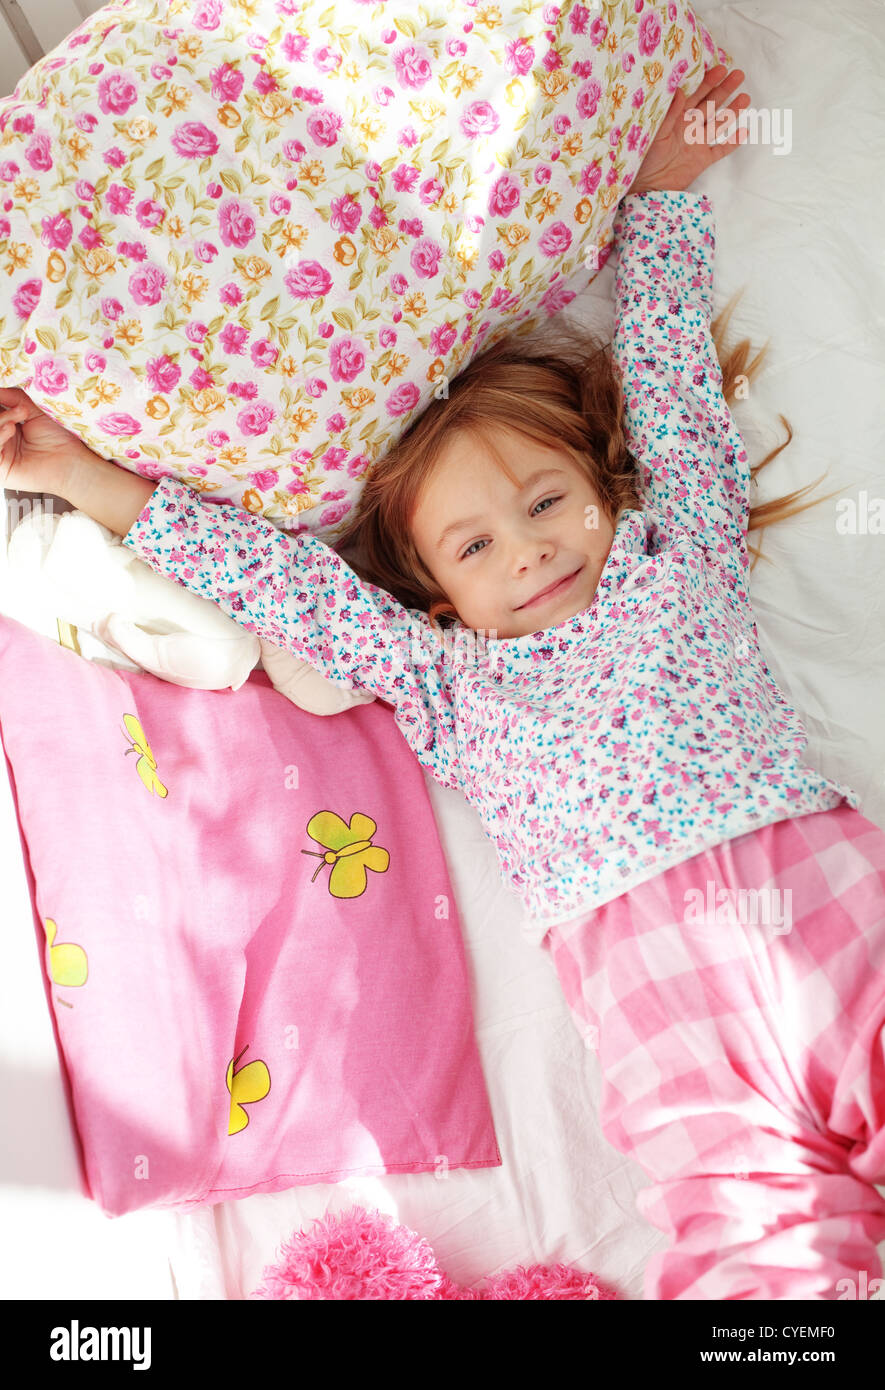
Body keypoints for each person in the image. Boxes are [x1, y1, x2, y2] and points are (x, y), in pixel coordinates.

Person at [4, 66, 885, 1301]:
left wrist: (666, 190)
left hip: (830, 908)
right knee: (761, 1255)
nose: (526, 547)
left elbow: (677, 393)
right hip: (661, 1002)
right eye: (475, 546)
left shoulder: (682, 559)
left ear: (605, 494)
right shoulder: (442, 678)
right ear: (435, 598)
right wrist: (94, 482)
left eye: (543, 503)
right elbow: (281, 587)